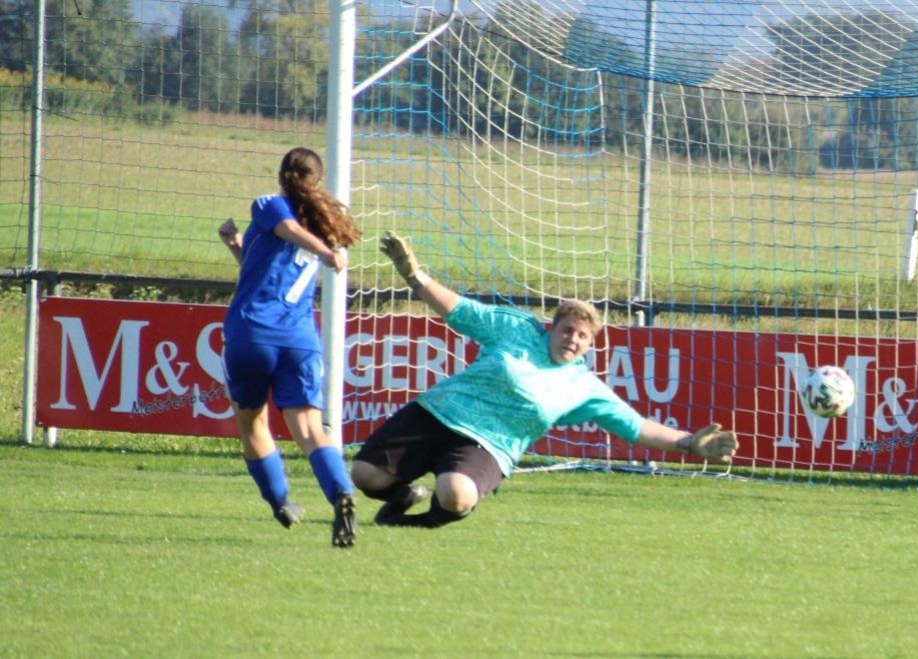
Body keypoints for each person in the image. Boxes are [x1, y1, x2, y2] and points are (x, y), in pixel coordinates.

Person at [350, 231, 739, 529]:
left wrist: (688, 444)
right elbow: (460, 310)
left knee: (455, 495)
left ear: (590, 346)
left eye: (583, 336)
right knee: (364, 475)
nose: (573, 338)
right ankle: (404, 495)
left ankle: (408, 523)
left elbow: (634, 427)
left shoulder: (582, 386)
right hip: (438, 413)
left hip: (492, 443)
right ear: (553, 329)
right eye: (568, 329)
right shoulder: (515, 329)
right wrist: (416, 278)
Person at [217, 147, 362, 549]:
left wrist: (324, 252)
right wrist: (236, 246)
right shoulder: (322, 222)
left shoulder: (269, 205)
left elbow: (286, 229)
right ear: (318, 181)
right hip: (299, 340)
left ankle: (280, 502)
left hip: (251, 336)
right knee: (311, 430)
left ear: (283, 175)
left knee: (253, 424)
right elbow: (265, 269)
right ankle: (342, 494)